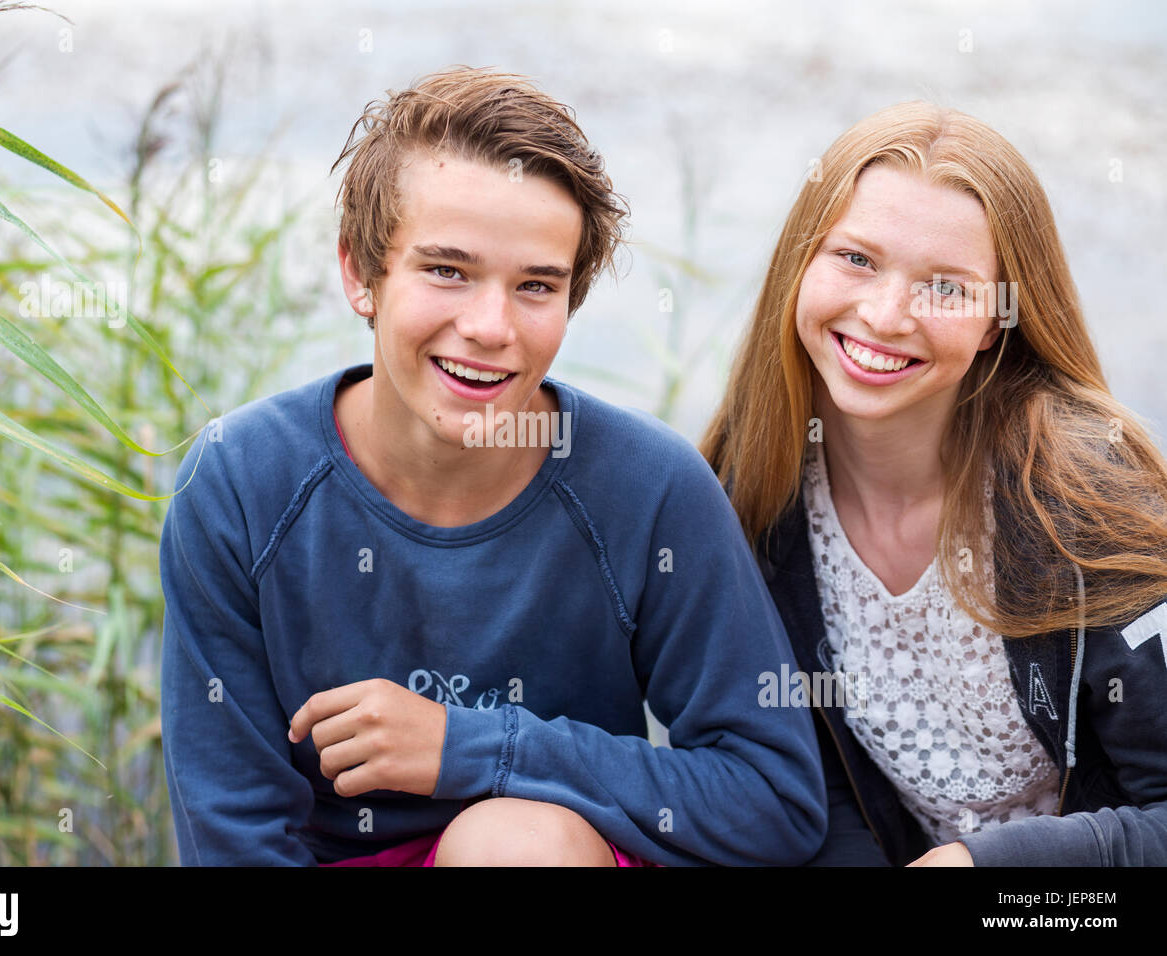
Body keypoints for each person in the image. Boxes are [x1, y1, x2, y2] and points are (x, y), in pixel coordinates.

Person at [159, 66, 826, 866]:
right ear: (359, 273)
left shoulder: (650, 489)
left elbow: (775, 804)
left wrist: (474, 748)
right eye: (447, 270)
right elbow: (234, 833)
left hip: (546, 856)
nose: (489, 326)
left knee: (509, 843)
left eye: (535, 286)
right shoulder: (238, 484)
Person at [701, 100, 1167, 866]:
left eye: (945, 287)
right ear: (799, 265)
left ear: (996, 323)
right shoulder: (750, 488)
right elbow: (807, 785)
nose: (885, 315)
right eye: (855, 258)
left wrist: (985, 868)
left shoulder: (1090, 497)